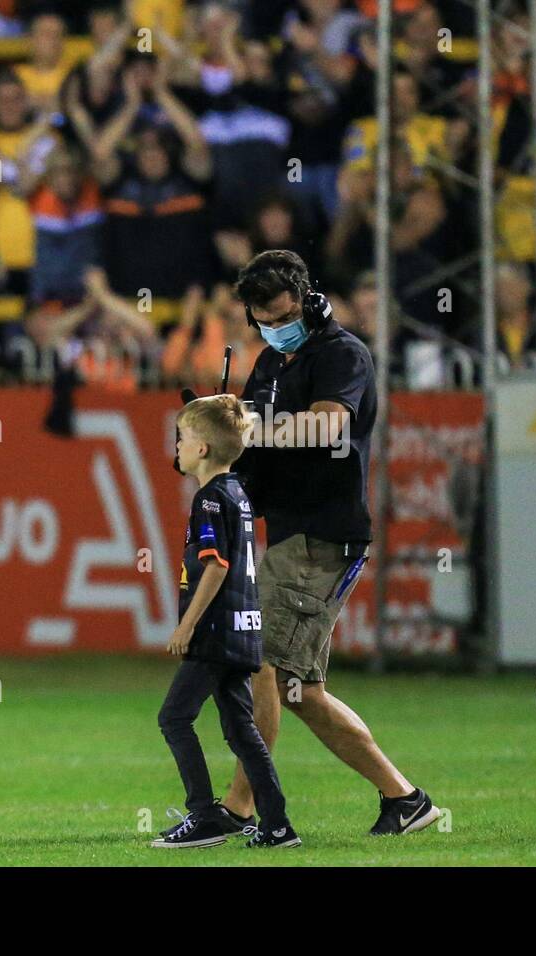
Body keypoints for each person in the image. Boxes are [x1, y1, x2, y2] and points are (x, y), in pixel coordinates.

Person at [221, 249, 440, 836]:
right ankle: (405, 798)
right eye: (262, 318)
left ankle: (242, 808)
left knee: (258, 662)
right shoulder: (269, 363)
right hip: (292, 534)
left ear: (308, 300)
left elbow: (325, 425)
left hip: (324, 534)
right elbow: (255, 451)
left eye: (282, 313)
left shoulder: (343, 354)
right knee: (299, 691)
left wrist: (250, 426)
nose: (274, 326)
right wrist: (216, 458)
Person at [155, 394, 299, 850]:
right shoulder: (238, 493)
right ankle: (277, 825)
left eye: (182, 438)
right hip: (244, 628)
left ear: (201, 450)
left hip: (216, 631)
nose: (176, 446)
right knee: (241, 730)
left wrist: (186, 625)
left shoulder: (209, 501)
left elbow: (215, 565)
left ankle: (203, 815)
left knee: (174, 717)